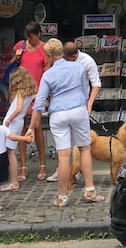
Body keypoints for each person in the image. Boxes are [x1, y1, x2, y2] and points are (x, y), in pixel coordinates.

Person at [28, 38, 104, 207]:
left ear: (48, 55)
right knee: (84, 149)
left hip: (58, 114)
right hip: (78, 110)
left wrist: (31, 127)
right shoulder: (78, 67)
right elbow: (85, 92)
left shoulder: (47, 75)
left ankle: (62, 196)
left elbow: (39, 104)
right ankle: (90, 190)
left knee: (63, 155)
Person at [47, 40, 101, 182]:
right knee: (63, 144)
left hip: (79, 104)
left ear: (75, 55)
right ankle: (62, 171)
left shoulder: (88, 62)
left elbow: (96, 84)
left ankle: (80, 172)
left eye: (71, 59)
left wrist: (89, 104)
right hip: (63, 104)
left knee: (82, 144)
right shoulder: (62, 61)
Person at [11, 21, 49, 180]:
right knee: (21, 126)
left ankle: (42, 165)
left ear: (38, 34)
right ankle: (23, 166)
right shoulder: (21, 45)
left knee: (37, 126)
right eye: (27, 37)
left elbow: (47, 73)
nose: (29, 40)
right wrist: (16, 56)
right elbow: (11, 65)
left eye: (32, 37)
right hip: (20, 90)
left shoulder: (45, 49)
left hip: (37, 92)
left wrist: (45, 96)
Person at [0, 66, 37, 190]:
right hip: (18, 121)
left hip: (14, 122)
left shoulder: (20, 91)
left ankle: (14, 181)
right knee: (10, 150)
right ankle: (12, 179)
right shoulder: (29, 93)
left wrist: (9, 119)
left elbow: (19, 108)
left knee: (10, 151)